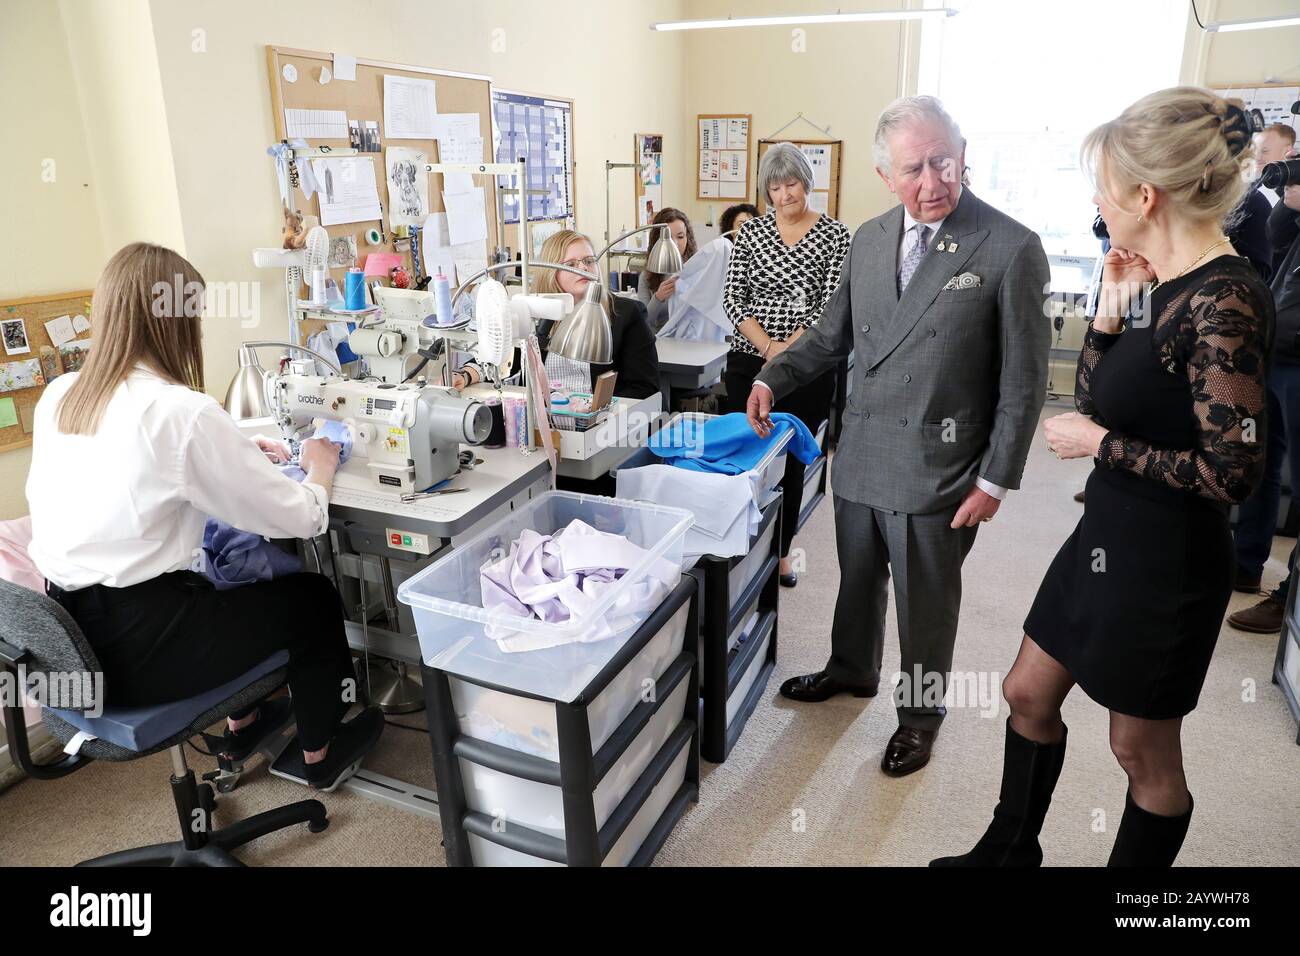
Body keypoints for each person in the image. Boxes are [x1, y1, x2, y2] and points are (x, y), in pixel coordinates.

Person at [933, 88, 1271, 868]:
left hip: (1170, 561)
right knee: (1026, 692)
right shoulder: (1160, 280)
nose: (1096, 201)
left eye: (1105, 187)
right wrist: (1111, 314)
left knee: (1138, 748)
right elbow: (1096, 395)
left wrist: (1102, 445)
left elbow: (1234, 473)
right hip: (1106, 535)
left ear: (1145, 196)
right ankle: (1011, 851)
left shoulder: (1228, 300)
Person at [750, 96, 1050, 775]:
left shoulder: (1010, 247)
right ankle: (852, 668)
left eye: (943, 161)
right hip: (859, 452)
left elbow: (1023, 383)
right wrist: (775, 374)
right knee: (857, 579)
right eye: (914, 168)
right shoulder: (871, 237)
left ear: (963, 154)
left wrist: (996, 478)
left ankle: (919, 718)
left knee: (926, 606)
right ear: (886, 176)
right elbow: (832, 337)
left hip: (939, 467)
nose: (933, 181)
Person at [25, 242, 383, 792]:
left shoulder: (61, 394)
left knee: (229, 584)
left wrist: (235, 448)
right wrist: (318, 466)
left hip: (70, 642)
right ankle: (320, 752)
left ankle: (244, 721)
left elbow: (127, 467)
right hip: (144, 654)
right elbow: (303, 518)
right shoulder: (182, 411)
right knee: (310, 599)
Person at [723, 143, 851, 588]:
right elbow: (733, 298)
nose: (782, 196)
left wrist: (791, 354)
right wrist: (769, 348)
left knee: (790, 460)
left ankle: (782, 553)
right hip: (749, 359)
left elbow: (834, 305)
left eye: (790, 184)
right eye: (773, 188)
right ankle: (736, 544)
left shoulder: (835, 235)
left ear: (807, 182)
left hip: (809, 365)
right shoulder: (752, 234)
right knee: (746, 454)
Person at [451, 229, 659, 400]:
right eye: (570, 264)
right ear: (551, 271)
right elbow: (503, 355)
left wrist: (594, 409)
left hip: (601, 426)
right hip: (545, 424)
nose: (583, 268)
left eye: (588, 260)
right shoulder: (536, 311)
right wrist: (466, 374)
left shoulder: (625, 314)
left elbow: (644, 388)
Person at [1229, 168, 1300, 633]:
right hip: (1276, 353)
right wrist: (1290, 201)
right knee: (1260, 462)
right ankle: (1245, 563)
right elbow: (1274, 241)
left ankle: (1290, 596)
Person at [636, 207, 698, 332]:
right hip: (662, 343)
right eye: (669, 238)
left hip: (692, 342)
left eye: (680, 237)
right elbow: (643, 322)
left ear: (688, 238)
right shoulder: (647, 276)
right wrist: (658, 298)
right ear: (657, 240)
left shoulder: (697, 271)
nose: (674, 243)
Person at [1253, 122, 1296, 207]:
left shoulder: (1295, 192)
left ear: (1287, 152)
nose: (1257, 158)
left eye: (1264, 151)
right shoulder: (1250, 188)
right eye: (1255, 151)